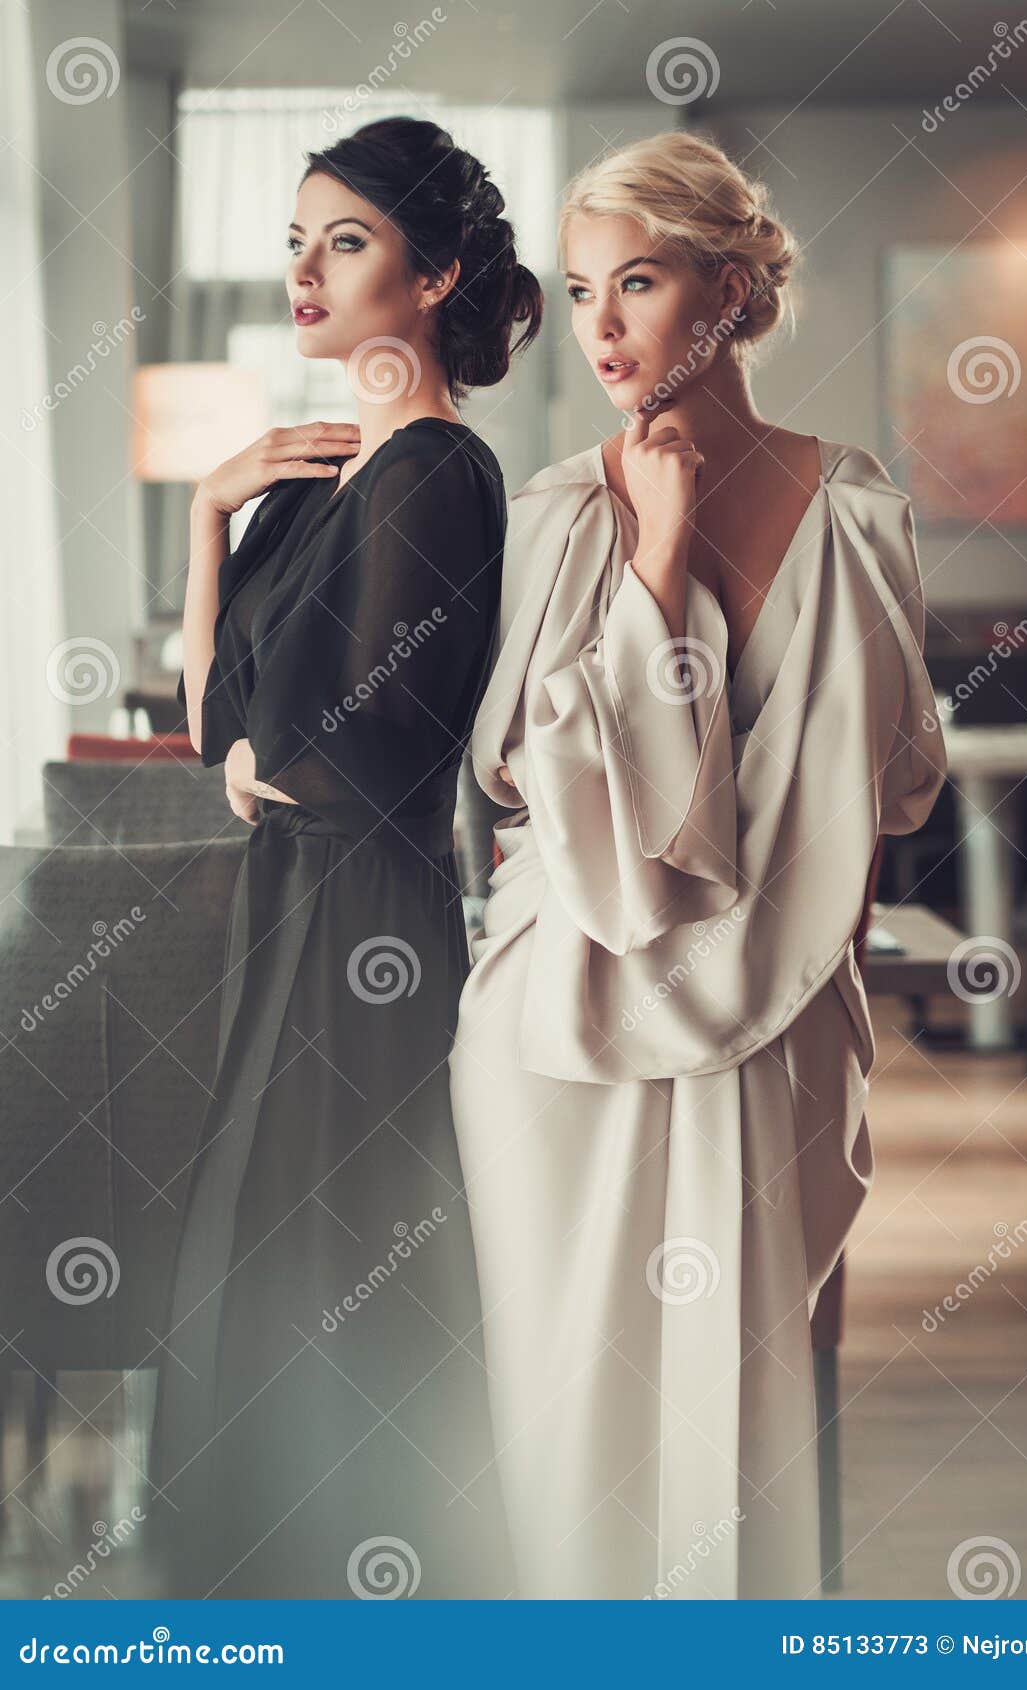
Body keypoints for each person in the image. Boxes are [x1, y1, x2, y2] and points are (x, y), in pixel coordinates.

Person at [448, 130, 948, 1599]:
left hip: (780, 1024)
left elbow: (896, 779)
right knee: (571, 1416)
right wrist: (656, 557)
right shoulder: (558, 513)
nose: (597, 328)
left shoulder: (855, 512)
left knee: (752, 1411)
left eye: (642, 284)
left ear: (728, 295)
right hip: (564, 1028)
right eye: (582, 289)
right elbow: (528, 771)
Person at [148, 115, 542, 1600]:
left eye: (349, 241)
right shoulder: (311, 480)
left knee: (339, 1246)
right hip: (289, 905)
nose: (307, 273)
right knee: (261, 1244)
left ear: (434, 273)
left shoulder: (439, 469)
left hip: (371, 912)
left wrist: (263, 760)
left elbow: (363, 751)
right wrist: (204, 513)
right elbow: (214, 730)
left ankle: (379, 1587)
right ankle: (261, 1581)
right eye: (294, 246)